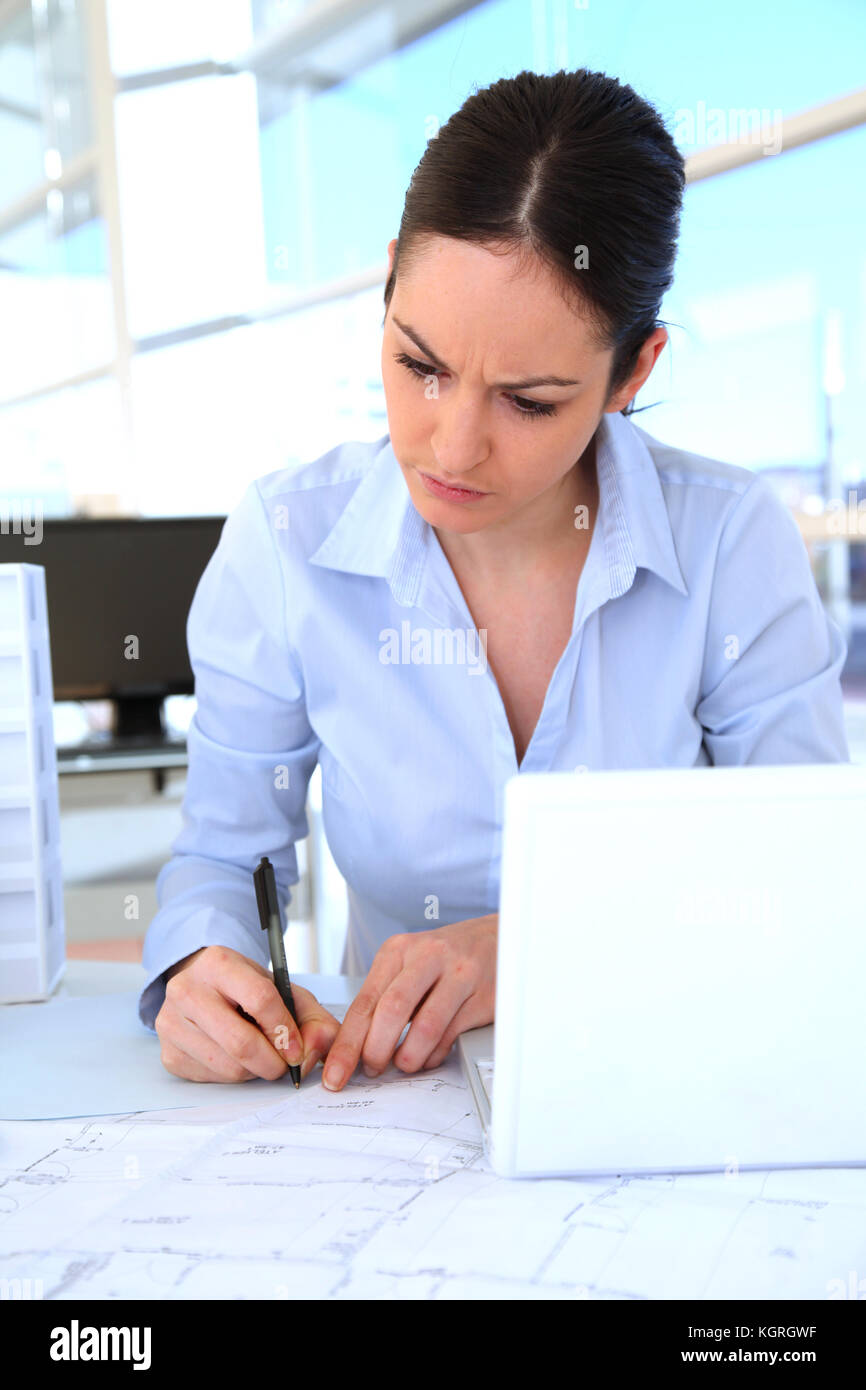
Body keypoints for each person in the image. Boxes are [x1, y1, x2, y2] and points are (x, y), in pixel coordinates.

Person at [140, 67, 849, 1092]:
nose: (450, 445)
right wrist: (198, 967)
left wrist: (535, 946)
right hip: (381, 1120)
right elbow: (220, 859)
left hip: (667, 1088)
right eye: (418, 364)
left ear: (632, 371)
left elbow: (798, 881)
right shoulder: (286, 541)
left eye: (527, 401)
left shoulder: (728, 542)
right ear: (387, 284)